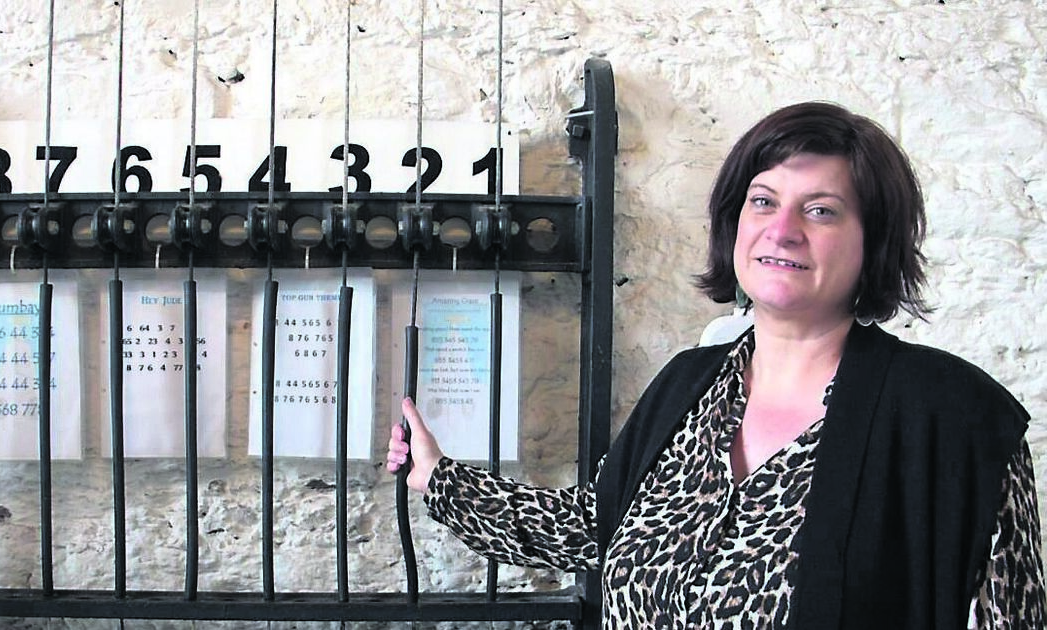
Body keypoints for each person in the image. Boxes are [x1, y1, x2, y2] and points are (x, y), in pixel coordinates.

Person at [386, 101, 1045, 629]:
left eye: (820, 210)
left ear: (874, 242)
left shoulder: (955, 420)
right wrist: (439, 478)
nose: (782, 229)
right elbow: (596, 527)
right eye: (763, 201)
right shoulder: (687, 384)